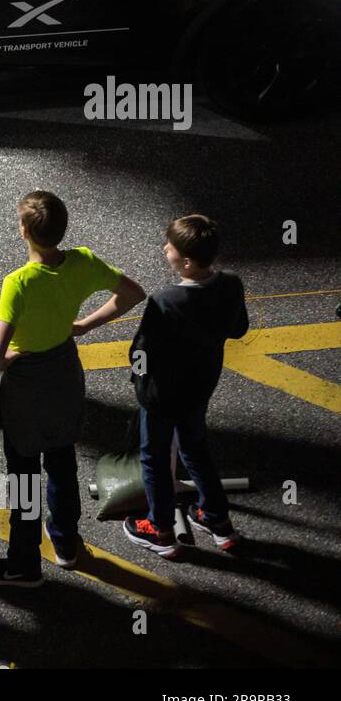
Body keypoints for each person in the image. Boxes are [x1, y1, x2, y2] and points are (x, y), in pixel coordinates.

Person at [0, 191, 145, 588]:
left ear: (24, 232)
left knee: (25, 478)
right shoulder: (82, 260)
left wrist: (15, 354)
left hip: (27, 388)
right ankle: (66, 544)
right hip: (65, 374)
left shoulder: (18, 283)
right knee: (62, 463)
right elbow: (132, 294)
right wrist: (83, 325)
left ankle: (23, 563)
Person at [123, 215, 248, 557]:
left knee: (156, 457)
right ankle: (216, 519)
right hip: (200, 386)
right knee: (195, 449)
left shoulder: (165, 301)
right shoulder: (231, 284)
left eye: (171, 248)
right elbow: (238, 329)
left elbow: (140, 351)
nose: (165, 249)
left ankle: (160, 530)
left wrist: (138, 382)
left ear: (187, 261)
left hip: (162, 395)